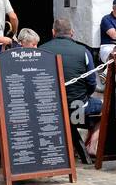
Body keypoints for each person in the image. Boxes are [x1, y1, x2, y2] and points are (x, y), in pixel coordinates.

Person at [43, 16, 102, 155]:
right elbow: (92, 82)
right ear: (72, 32)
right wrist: (84, 96)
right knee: (106, 108)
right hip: (77, 106)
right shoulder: (84, 51)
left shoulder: (42, 50)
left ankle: (76, 145)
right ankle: (91, 146)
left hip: (49, 107)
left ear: (53, 32)